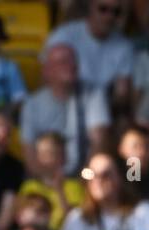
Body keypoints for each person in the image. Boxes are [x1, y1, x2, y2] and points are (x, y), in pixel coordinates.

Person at [20, 45, 111, 179]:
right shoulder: (32, 104)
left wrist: (85, 178)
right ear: (47, 70)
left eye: (73, 60)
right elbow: (29, 154)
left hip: (84, 178)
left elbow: (99, 142)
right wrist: (48, 181)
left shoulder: (93, 95)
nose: (71, 65)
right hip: (46, 180)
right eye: (63, 62)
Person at [42, 0, 135, 111]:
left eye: (116, 12)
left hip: (102, 108)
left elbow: (121, 95)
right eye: (103, 9)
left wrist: (96, 106)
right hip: (62, 103)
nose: (109, 16)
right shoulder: (63, 35)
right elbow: (46, 79)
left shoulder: (125, 46)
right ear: (91, 7)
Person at [18, 132, 86, 230]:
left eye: (50, 153)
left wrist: (60, 191)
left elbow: (76, 223)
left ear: (63, 157)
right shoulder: (29, 187)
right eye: (41, 153)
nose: (45, 158)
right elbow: (20, 219)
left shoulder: (75, 187)